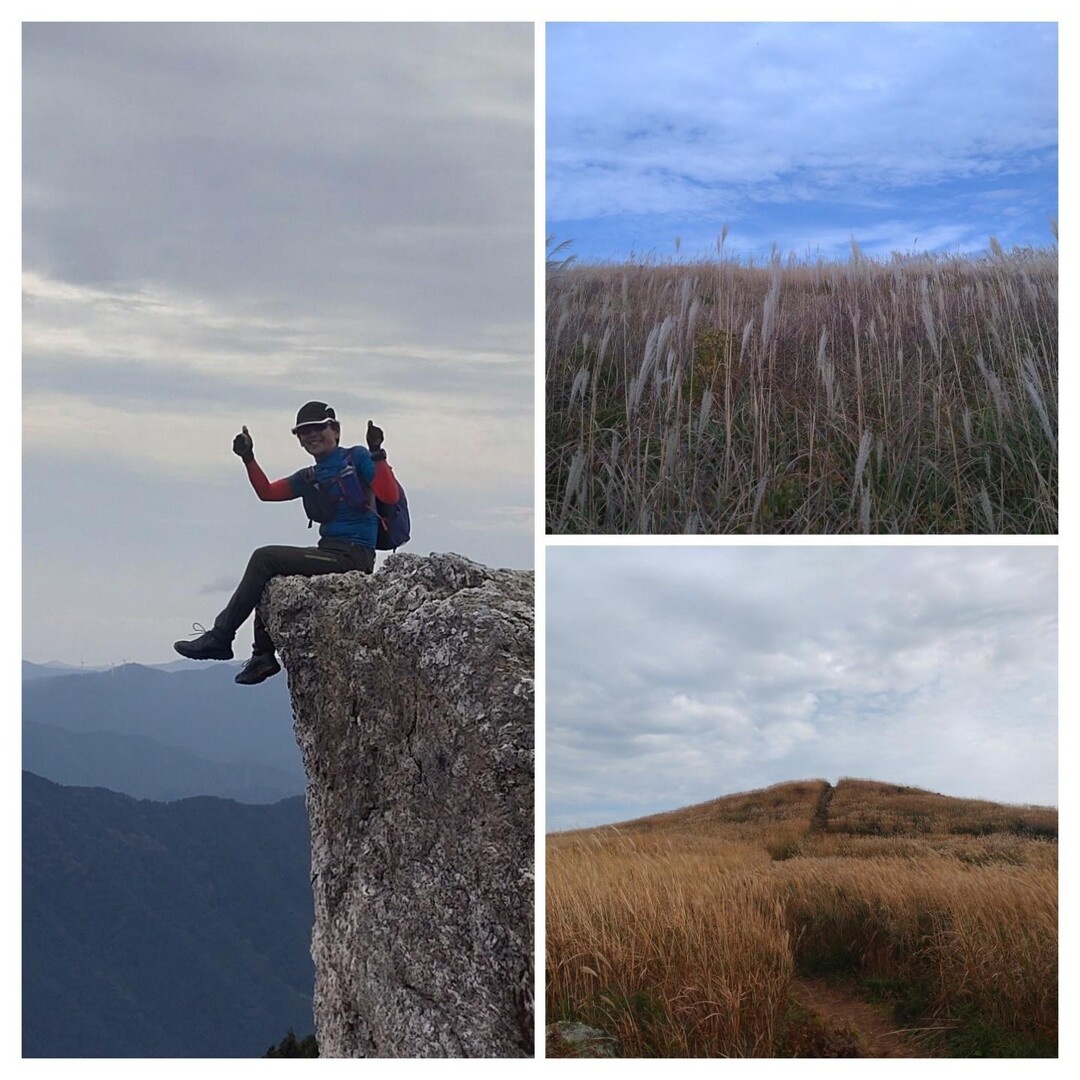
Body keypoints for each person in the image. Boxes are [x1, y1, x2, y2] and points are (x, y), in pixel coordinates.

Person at [174, 401, 400, 685]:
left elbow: (389, 496)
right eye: (304, 431)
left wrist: (377, 452)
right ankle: (262, 656)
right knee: (271, 575)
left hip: (354, 556)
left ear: (336, 430)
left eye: (318, 428)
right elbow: (267, 492)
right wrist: (248, 458)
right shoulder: (310, 476)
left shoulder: (357, 458)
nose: (311, 435)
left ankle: (221, 637)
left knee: (265, 558)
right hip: (330, 553)